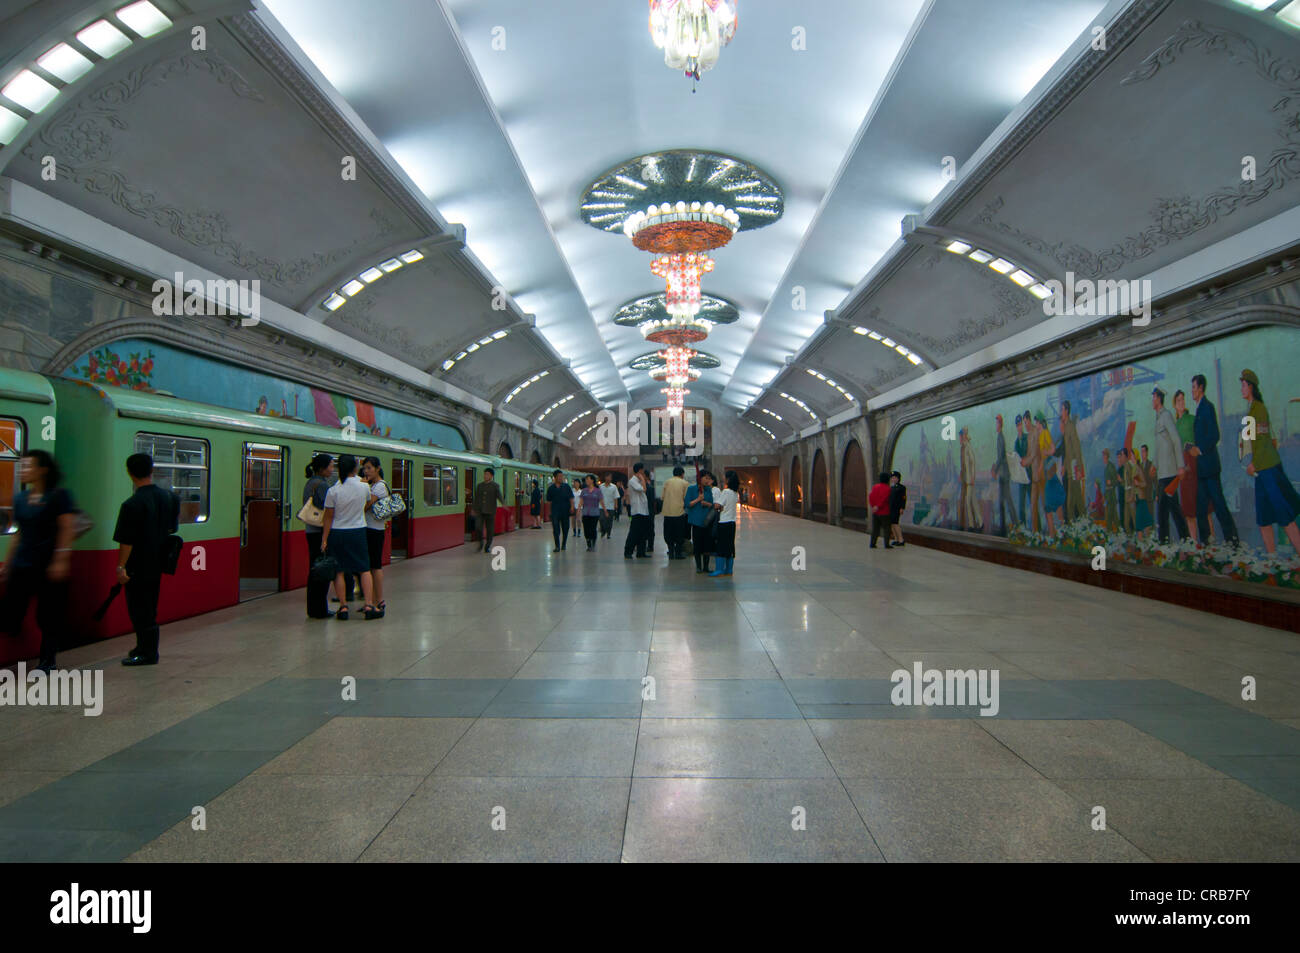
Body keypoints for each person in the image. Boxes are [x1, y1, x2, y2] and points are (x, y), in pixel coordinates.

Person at [0, 450, 76, 672]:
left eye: (27, 466)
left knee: (48, 614)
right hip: (23, 562)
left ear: (42, 470)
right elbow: (18, 533)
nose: (22, 470)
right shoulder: (20, 499)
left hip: (48, 564)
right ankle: (14, 636)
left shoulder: (59, 496)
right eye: (21, 466)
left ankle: (47, 660)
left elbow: (66, 528)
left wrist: (61, 559)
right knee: (10, 610)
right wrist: (7, 563)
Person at [113, 453, 180, 665]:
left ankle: (148, 653)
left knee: (139, 609)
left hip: (137, 565)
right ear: (151, 471)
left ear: (130, 474)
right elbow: (172, 528)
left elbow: (126, 541)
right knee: (150, 606)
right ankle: (143, 647)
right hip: (158, 562)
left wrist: (121, 566)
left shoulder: (131, 504)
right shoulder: (170, 498)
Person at [1240, 368, 1300, 555]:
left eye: (1243, 385)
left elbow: (1264, 442)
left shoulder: (1258, 409)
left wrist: (1253, 464)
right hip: (1261, 472)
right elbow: (1253, 442)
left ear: (1251, 387)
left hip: (1268, 469)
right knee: (1264, 518)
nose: (1241, 389)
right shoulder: (1251, 410)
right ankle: (1271, 562)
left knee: (1284, 515)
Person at [321, 454, 377, 620]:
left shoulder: (333, 490)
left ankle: (343, 607)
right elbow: (366, 504)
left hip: (337, 533)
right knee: (364, 569)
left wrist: (324, 539)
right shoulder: (364, 486)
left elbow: (328, 517)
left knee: (338, 571)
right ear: (355, 467)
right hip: (358, 531)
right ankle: (368, 604)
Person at [1190, 373, 1238, 544]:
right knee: (1201, 509)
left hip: (1210, 467)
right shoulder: (1199, 409)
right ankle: (1206, 544)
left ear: (1201, 388)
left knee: (1219, 505)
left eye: (1194, 387)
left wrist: (1200, 450)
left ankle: (1232, 541)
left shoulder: (1207, 407)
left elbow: (1215, 435)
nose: (1192, 391)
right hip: (1203, 469)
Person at [1152, 388, 1190, 544]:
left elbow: (1176, 440)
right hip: (1163, 473)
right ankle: (1183, 540)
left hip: (1170, 473)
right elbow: (1159, 446)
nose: (1152, 401)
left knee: (1165, 511)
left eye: (1153, 397)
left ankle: (1166, 542)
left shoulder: (1166, 416)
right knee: (1171, 510)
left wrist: (1180, 466)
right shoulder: (1158, 418)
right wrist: (1154, 464)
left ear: (1159, 399)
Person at [302, 453, 334, 618]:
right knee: (322, 570)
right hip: (320, 532)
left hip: (310, 530)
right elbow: (328, 510)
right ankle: (320, 609)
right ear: (322, 468)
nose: (332, 468)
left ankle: (313, 608)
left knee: (314, 569)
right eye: (330, 465)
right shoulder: (322, 485)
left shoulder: (310, 483)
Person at [360, 457, 389, 619]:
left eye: (369, 468)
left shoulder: (379, 487)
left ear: (377, 468)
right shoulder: (372, 486)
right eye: (365, 468)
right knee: (370, 566)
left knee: (375, 565)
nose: (366, 471)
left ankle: (379, 600)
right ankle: (371, 600)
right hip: (370, 528)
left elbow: (365, 506)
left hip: (375, 530)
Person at [1173, 390, 1199, 543]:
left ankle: (1210, 542)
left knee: (1202, 506)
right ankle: (1194, 542)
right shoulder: (1175, 426)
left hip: (1194, 463)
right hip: (1182, 467)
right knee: (1188, 509)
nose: (1181, 403)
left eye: (1183, 400)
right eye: (1178, 401)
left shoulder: (1192, 419)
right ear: (1175, 405)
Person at [708, 471, 740, 577]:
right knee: (730, 546)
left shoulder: (726, 492)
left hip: (723, 523)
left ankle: (719, 570)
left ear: (728, 480)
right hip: (732, 523)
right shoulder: (736, 493)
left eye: (725, 477)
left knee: (720, 546)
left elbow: (717, 505)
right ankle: (729, 570)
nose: (723, 479)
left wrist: (717, 505)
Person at [685, 469, 716, 573]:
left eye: (708, 478)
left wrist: (707, 504)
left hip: (707, 521)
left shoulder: (708, 490)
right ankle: (698, 566)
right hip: (696, 521)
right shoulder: (691, 489)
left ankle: (706, 566)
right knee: (697, 545)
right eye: (706, 478)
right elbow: (687, 504)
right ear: (700, 478)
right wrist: (698, 499)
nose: (707, 480)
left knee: (707, 545)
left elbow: (712, 505)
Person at [1060, 400, 1085, 523]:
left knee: (1072, 501)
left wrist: (1079, 469)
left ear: (1066, 411)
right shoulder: (1066, 428)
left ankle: (1072, 525)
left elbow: (1076, 448)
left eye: (1062, 410)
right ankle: (1082, 522)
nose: (1061, 413)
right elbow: (1068, 451)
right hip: (1070, 469)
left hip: (1074, 470)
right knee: (1077, 500)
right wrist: (1064, 466)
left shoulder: (1070, 427)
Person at [991, 414, 1015, 536]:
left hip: (1004, 474)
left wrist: (995, 469)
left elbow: (1001, 456)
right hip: (1004, 473)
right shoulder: (1000, 437)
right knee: (1005, 501)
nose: (995, 426)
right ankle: (1007, 527)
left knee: (1005, 501)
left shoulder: (1000, 437)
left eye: (996, 423)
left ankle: (1006, 528)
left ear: (1000, 424)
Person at [660, 466, 690, 559]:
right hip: (679, 512)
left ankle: (671, 551)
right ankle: (678, 553)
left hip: (667, 512)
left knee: (668, 533)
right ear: (682, 474)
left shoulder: (667, 482)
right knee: (679, 534)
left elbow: (662, 497)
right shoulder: (685, 483)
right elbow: (686, 499)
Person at [623, 463, 651, 559]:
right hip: (637, 510)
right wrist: (643, 479)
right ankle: (628, 551)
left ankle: (641, 552)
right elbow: (643, 489)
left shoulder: (638, 480)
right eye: (642, 471)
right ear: (639, 471)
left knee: (643, 533)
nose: (643, 473)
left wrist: (642, 480)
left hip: (644, 510)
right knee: (634, 532)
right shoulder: (632, 481)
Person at [472, 467, 502, 553]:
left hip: (490, 511)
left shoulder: (495, 486)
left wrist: (503, 503)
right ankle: (480, 542)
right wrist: (474, 508)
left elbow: (499, 496)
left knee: (490, 530)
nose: (485, 476)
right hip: (480, 510)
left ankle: (487, 546)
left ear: (491, 476)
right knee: (478, 527)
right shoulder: (480, 486)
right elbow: (476, 498)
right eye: (485, 474)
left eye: (487, 474)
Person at [546, 469, 575, 551]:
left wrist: (572, 507)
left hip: (565, 511)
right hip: (555, 512)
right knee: (555, 529)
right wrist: (549, 512)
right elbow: (549, 501)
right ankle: (557, 546)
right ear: (555, 477)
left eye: (562, 476)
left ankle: (564, 544)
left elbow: (571, 498)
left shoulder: (566, 487)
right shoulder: (551, 488)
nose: (561, 478)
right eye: (559, 476)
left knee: (565, 528)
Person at [1014, 413, 1031, 527]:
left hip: (1029, 474)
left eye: (1021, 424)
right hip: (1021, 477)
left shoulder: (1027, 437)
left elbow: (1030, 453)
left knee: (1032, 502)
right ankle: (1023, 527)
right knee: (1021, 504)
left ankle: (1037, 528)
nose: (1019, 427)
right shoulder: (1016, 442)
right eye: (1018, 425)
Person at [869, 472, 893, 549]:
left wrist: (873, 506)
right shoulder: (888, 489)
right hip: (885, 511)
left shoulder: (875, 487)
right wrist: (878, 506)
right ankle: (886, 544)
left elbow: (870, 496)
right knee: (886, 528)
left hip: (875, 512)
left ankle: (872, 543)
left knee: (875, 528)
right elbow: (885, 499)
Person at [579, 475, 602, 551]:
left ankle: (593, 542)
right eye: (586, 480)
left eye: (588, 479)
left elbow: (601, 501)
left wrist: (605, 510)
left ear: (592, 480)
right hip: (585, 513)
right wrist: (578, 510)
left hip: (594, 513)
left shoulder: (597, 491)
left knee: (592, 528)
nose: (587, 481)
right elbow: (581, 501)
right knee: (586, 529)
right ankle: (588, 543)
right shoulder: (584, 491)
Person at [1102, 448, 1120, 533]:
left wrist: (1111, 482)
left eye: (1105, 456)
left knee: (1111, 515)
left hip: (1112, 496)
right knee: (1112, 515)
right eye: (1103, 456)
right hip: (1108, 496)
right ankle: (1117, 531)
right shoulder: (1106, 468)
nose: (1104, 458)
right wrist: (1104, 496)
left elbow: (1116, 481)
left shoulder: (1111, 466)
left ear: (1107, 457)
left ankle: (1112, 531)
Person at [889, 471, 907, 546]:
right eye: (892, 478)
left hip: (897, 508)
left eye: (895, 478)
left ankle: (901, 539)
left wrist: (902, 507)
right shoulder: (892, 487)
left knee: (895, 523)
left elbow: (903, 498)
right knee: (892, 524)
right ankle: (896, 539)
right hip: (891, 508)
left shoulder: (901, 487)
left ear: (898, 478)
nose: (893, 479)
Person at [599, 474, 619, 538]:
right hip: (601, 506)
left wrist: (616, 504)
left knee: (609, 521)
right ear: (605, 478)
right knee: (601, 519)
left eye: (609, 477)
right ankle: (603, 530)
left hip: (611, 506)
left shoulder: (614, 487)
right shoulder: (600, 486)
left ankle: (608, 533)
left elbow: (615, 496)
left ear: (611, 478)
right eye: (607, 477)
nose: (608, 478)